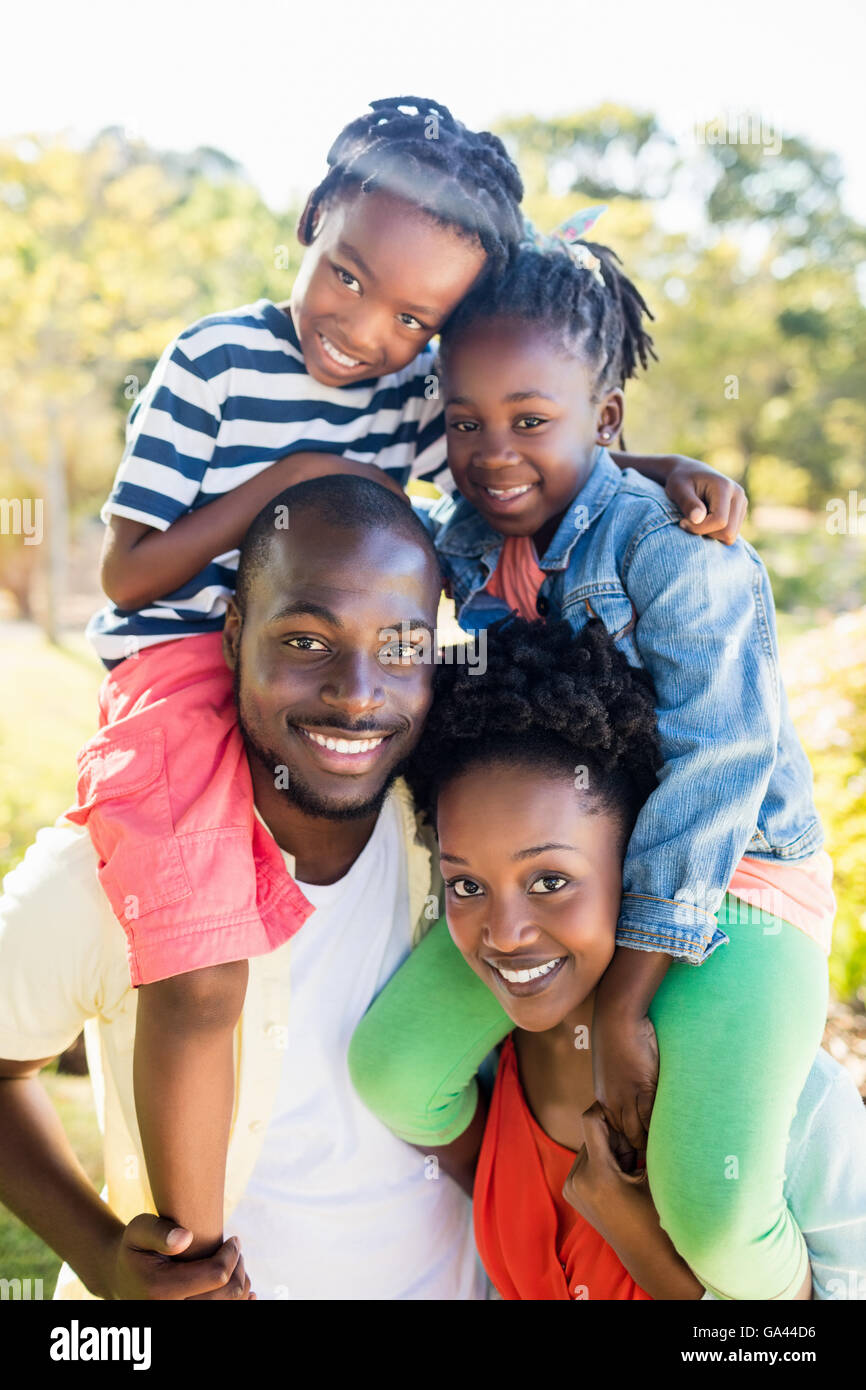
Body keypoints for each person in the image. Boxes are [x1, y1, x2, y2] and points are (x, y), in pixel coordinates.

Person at [66, 95, 746, 1259]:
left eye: (409, 318)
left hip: (338, 681)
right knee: (202, 967)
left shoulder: (410, 393)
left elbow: (521, 446)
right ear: (309, 222)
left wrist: (655, 463)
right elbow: (128, 573)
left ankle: (514, 1217)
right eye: (346, 275)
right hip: (185, 668)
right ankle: (188, 1255)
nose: (364, 329)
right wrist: (291, 478)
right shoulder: (213, 361)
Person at [349, 237, 834, 1300]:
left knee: (709, 1209)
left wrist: (621, 1005)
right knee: (393, 1067)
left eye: (530, 421)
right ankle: (544, 1213)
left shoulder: (675, 552)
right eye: (465, 423)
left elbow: (722, 762)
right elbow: (386, 558)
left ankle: (789, 1304)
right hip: (554, 873)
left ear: (604, 417)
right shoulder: (469, 538)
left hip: (733, 878)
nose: (491, 451)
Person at [0, 476, 483, 1301]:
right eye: (305, 641)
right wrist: (98, 1254)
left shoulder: (464, 840)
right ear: (234, 636)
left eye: (400, 646)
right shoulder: (124, 868)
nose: (357, 692)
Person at [363, 616, 866, 1300]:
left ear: (637, 869)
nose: (505, 933)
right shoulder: (481, 1069)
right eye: (467, 886)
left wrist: (636, 1234)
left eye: (549, 881)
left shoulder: (796, 1112)